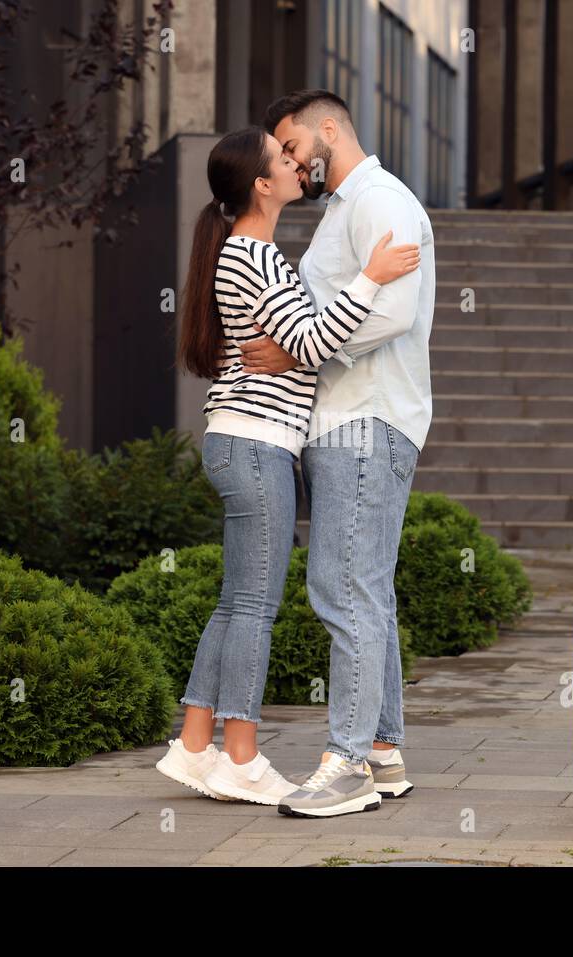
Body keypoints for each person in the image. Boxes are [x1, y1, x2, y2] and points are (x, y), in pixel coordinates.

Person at [153, 125, 421, 806]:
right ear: (261, 184)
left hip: (244, 443)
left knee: (236, 599)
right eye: (282, 159)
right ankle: (239, 756)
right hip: (258, 444)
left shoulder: (249, 252)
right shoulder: (256, 255)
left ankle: (192, 744)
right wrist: (371, 278)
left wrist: (297, 345)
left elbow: (296, 344)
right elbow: (309, 340)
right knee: (253, 606)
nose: (297, 163)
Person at [238, 89, 435, 818]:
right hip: (354, 421)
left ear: (328, 131)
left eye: (291, 148)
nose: (287, 161)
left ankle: (346, 762)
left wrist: (294, 350)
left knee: (342, 587)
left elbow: (391, 310)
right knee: (368, 590)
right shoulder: (344, 213)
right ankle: (381, 750)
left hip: (365, 419)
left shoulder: (381, 200)